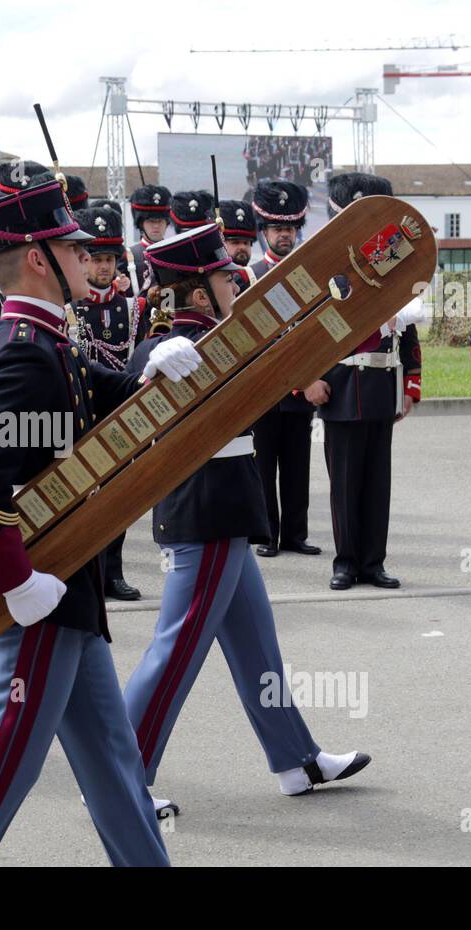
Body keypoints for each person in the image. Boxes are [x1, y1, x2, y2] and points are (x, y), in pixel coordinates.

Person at [0, 177, 204, 867]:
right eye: (73, 246)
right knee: (1, 774)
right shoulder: (20, 348)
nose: (86, 256)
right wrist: (14, 579)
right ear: (39, 257)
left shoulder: (42, 336)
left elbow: (94, 390)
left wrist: (148, 365)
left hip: (73, 584)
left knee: (112, 761)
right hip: (43, 592)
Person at [120, 219, 371, 813]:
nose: (237, 281)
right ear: (200, 292)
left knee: (258, 648)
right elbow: (136, 374)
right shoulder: (178, 343)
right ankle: (120, 779)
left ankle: (296, 760)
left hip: (228, 510)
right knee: (175, 653)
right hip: (203, 514)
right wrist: (157, 351)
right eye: (225, 276)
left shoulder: (223, 333)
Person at [306, 173, 423, 591]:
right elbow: (304, 330)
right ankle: (346, 561)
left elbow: (407, 330)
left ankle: (373, 562)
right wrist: (307, 379)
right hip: (339, 382)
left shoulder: (393, 262)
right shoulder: (323, 262)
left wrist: (412, 382)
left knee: (377, 481)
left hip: (381, 382)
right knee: (345, 481)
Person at [70, 204, 151, 601]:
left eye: (109, 259)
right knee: (82, 496)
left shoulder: (134, 308)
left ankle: (113, 572)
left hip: (120, 412)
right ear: (82, 261)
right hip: (82, 412)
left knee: (118, 495)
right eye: (95, 259)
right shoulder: (71, 309)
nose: (103, 267)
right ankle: (83, 569)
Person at [248, 178, 322, 558]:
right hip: (263, 388)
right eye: (278, 229)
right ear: (264, 232)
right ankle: (267, 535)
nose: (284, 235)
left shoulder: (309, 272)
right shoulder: (250, 275)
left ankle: (296, 534)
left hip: (299, 386)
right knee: (264, 469)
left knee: (297, 465)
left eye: (290, 229)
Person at [126, 183, 172, 289]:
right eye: (151, 221)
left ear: (167, 223)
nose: (156, 226)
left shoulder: (174, 252)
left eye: (160, 221)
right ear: (141, 223)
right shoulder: (128, 255)